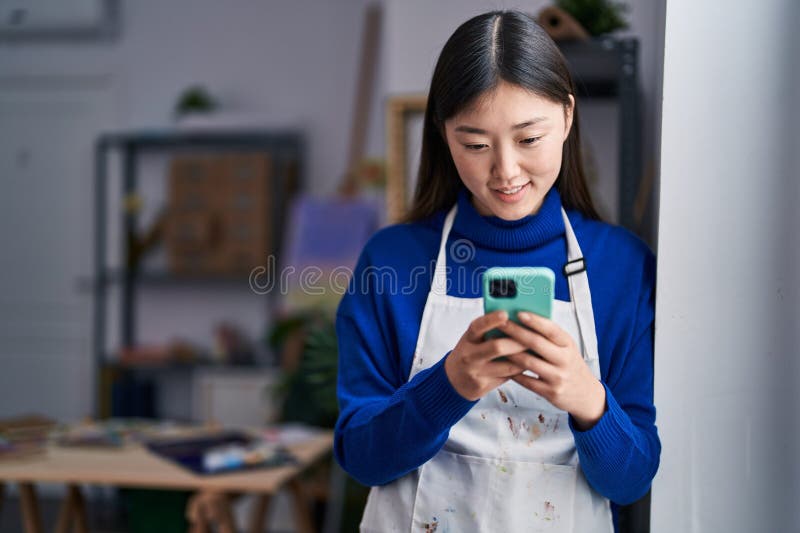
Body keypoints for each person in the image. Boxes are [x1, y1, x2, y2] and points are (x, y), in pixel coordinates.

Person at [333, 10, 660, 533]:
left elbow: (632, 482)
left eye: (529, 139)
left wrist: (587, 399)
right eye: (476, 145)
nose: (505, 171)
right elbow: (360, 457)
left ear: (567, 117)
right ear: (444, 135)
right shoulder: (392, 263)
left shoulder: (623, 267)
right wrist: (448, 386)